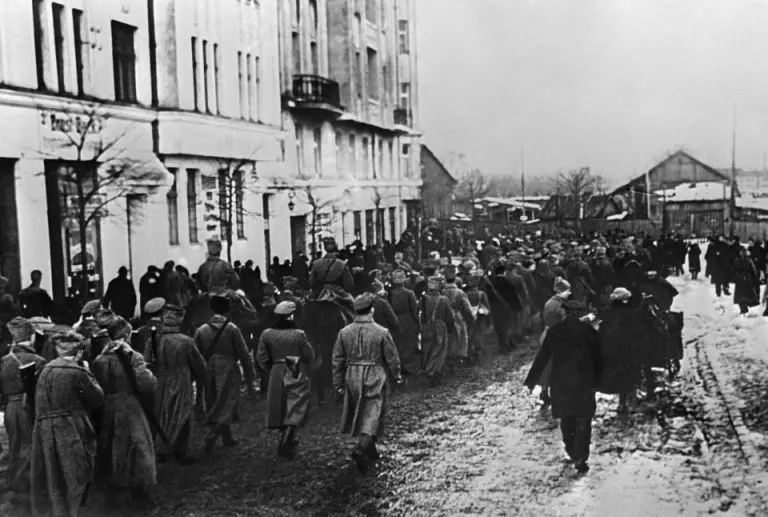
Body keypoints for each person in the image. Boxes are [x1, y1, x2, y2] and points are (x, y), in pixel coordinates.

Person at [31, 331, 105, 517]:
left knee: (52, 471)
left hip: (44, 428)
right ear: (79, 352)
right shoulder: (77, 371)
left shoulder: (44, 369)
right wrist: (89, 373)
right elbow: (96, 399)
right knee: (76, 470)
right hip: (70, 425)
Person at [525, 301, 602, 474]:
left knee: (567, 418)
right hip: (584, 382)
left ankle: (571, 450)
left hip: (562, 381)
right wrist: (598, 380)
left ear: (564, 312)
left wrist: (532, 380)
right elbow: (599, 357)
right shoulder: (588, 331)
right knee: (584, 419)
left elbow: (543, 357)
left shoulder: (555, 332)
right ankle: (582, 455)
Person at [332, 293, 403, 474]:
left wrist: (338, 382)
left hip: (352, 375)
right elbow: (392, 358)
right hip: (374, 374)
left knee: (361, 411)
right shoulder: (382, 332)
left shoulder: (344, 332)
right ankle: (360, 449)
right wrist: (397, 376)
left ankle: (372, 451)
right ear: (371, 310)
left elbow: (337, 360)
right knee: (373, 412)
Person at [92, 316, 158, 507]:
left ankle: (115, 490)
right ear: (126, 335)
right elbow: (147, 384)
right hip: (130, 405)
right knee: (139, 446)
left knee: (112, 447)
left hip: (108, 407)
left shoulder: (100, 359)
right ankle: (139, 490)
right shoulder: (133, 356)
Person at [145, 304, 206, 464]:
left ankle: (162, 448)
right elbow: (198, 364)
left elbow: (147, 362)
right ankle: (180, 451)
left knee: (163, 414)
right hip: (181, 379)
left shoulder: (153, 340)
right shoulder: (186, 341)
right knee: (183, 414)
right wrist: (202, 379)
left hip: (161, 380)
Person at [195, 295, 257, 456]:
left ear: (211, 310)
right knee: (228, 400)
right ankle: (214, 433)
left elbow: (196, 354)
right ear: (227, 309)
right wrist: (250, 375)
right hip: (229, 366)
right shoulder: (232, 328)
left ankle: (227, 436)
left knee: (214, 400)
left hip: (209, 367)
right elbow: (243, 353)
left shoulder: (201, 330)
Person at [256, 301, 316, 459]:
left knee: (280, 404)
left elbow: (261, 357)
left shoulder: (267, 333)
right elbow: (308, 354)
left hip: (276, 368)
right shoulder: (298, 334)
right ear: (291, 315)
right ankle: (287, 438)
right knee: (295, 402)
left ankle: (286, 438)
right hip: (294, 366)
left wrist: (272, 368)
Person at [0, 317, 47, 501]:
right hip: (29, 406)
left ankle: (10, 479)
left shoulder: (4, 361)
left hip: (10, 406)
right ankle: (25, 482)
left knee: (14, 442)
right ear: (31, 338)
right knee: (30, 443)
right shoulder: (38, 360)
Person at [420, 276, 456, 386]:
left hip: (427, 326)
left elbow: (421, 314)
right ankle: (434, 371)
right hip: (440, 326)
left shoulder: (424, 298)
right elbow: (450, 316)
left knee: (428, 349)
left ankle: (428, 368)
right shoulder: (443, 299)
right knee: (440, 350)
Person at [309, 236, 356, 317]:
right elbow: (349, 285)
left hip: (320, 293)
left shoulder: (316, 263)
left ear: (324, 247)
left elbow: (312, 283)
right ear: (335, 247)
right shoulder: (341, 264)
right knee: (354, 310)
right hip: (338, 293)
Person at [388, 270, 420, 375]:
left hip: (394, 319)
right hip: (408, 320)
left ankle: (398, 367)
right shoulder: (409, 293)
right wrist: (418, 324)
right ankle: (405, 367)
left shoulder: (390, 294)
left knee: (397, 344)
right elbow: (415, 311)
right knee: (407, 344)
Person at [441, 266, 475, 366]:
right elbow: (467, 309)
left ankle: (447, 359)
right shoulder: (460, 293)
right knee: (460, 337)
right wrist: (471, 319)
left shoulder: (441, 292)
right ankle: (459, 358)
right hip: (457, 317)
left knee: (447, 338)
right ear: (455, 279)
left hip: (444, 318)